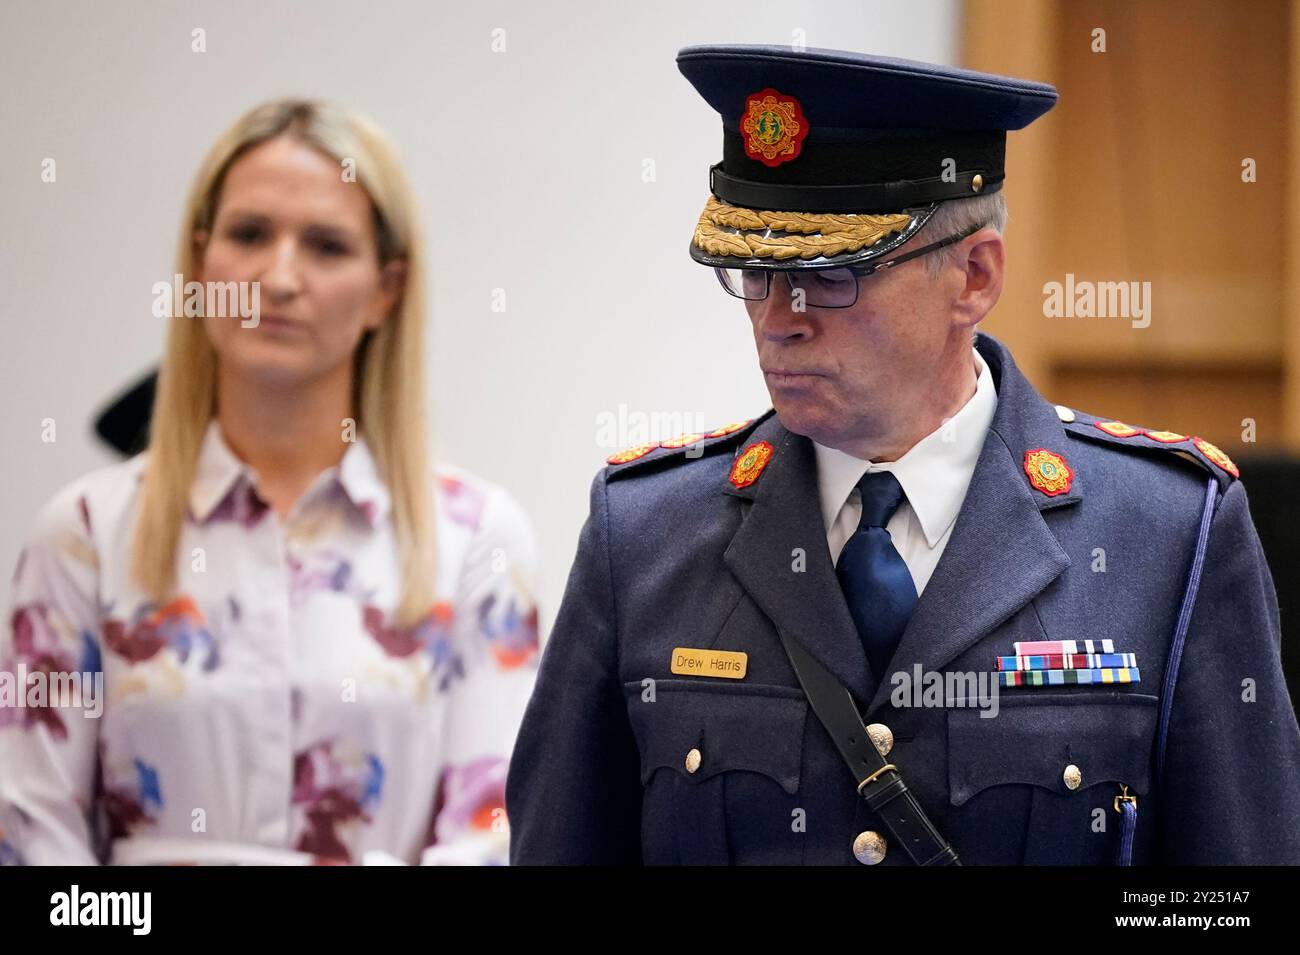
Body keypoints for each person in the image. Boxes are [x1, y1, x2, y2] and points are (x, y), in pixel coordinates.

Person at [505, 45, 1300, 865]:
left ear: (975, 276)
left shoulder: (1167, 536)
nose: (781, 318)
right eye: (755, 272)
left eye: (834, 272)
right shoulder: (642, 537)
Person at [0, 99, 540, 865]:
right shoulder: (85, 535)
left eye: (325, 245)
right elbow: (32, 835)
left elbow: (494, 836)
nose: (278, 276)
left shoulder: (476, 539)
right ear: (198, 264)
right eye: (250, 234)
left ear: (386, 289)